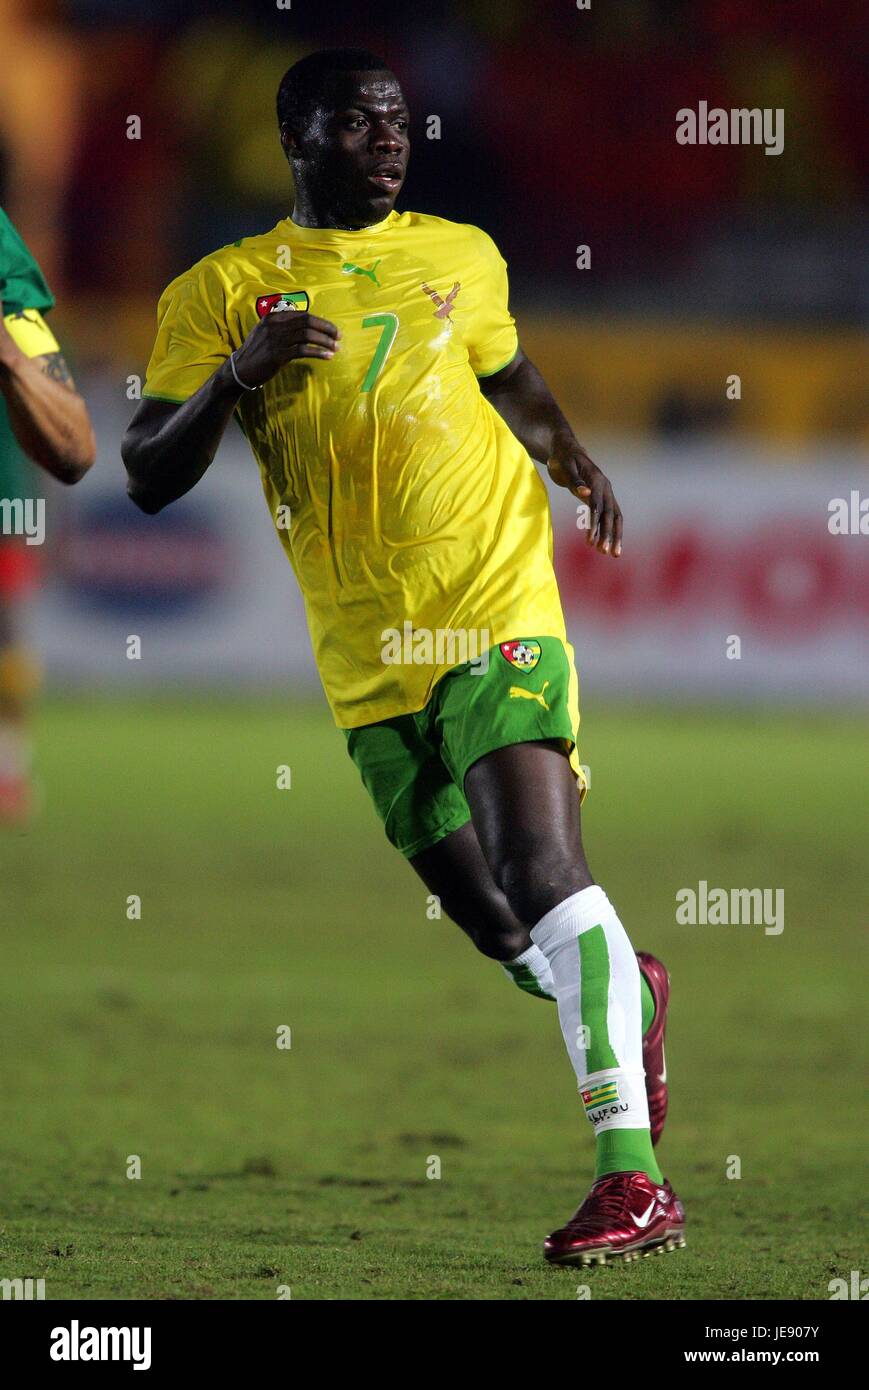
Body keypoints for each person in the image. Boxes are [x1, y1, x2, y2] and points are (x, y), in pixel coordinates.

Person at [122, 49, 683, 1266]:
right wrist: (237, 375)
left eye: (396, 120)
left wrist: (564, 450)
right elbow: (147, 474)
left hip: (489, 602)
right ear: (294, 137)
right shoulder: (220, 290)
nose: (388, 138)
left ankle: (631, 1179)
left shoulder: (461, 253)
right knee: (497, 926)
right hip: (365, 652)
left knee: (541, 865)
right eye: (357, 121)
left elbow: (506, 370)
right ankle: (619, 989)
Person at [0, 207, 95, 824]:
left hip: (5, 491)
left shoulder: (5, 261)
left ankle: (8, 766)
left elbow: (71, 436)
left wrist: (10, 354)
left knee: (5, 632)